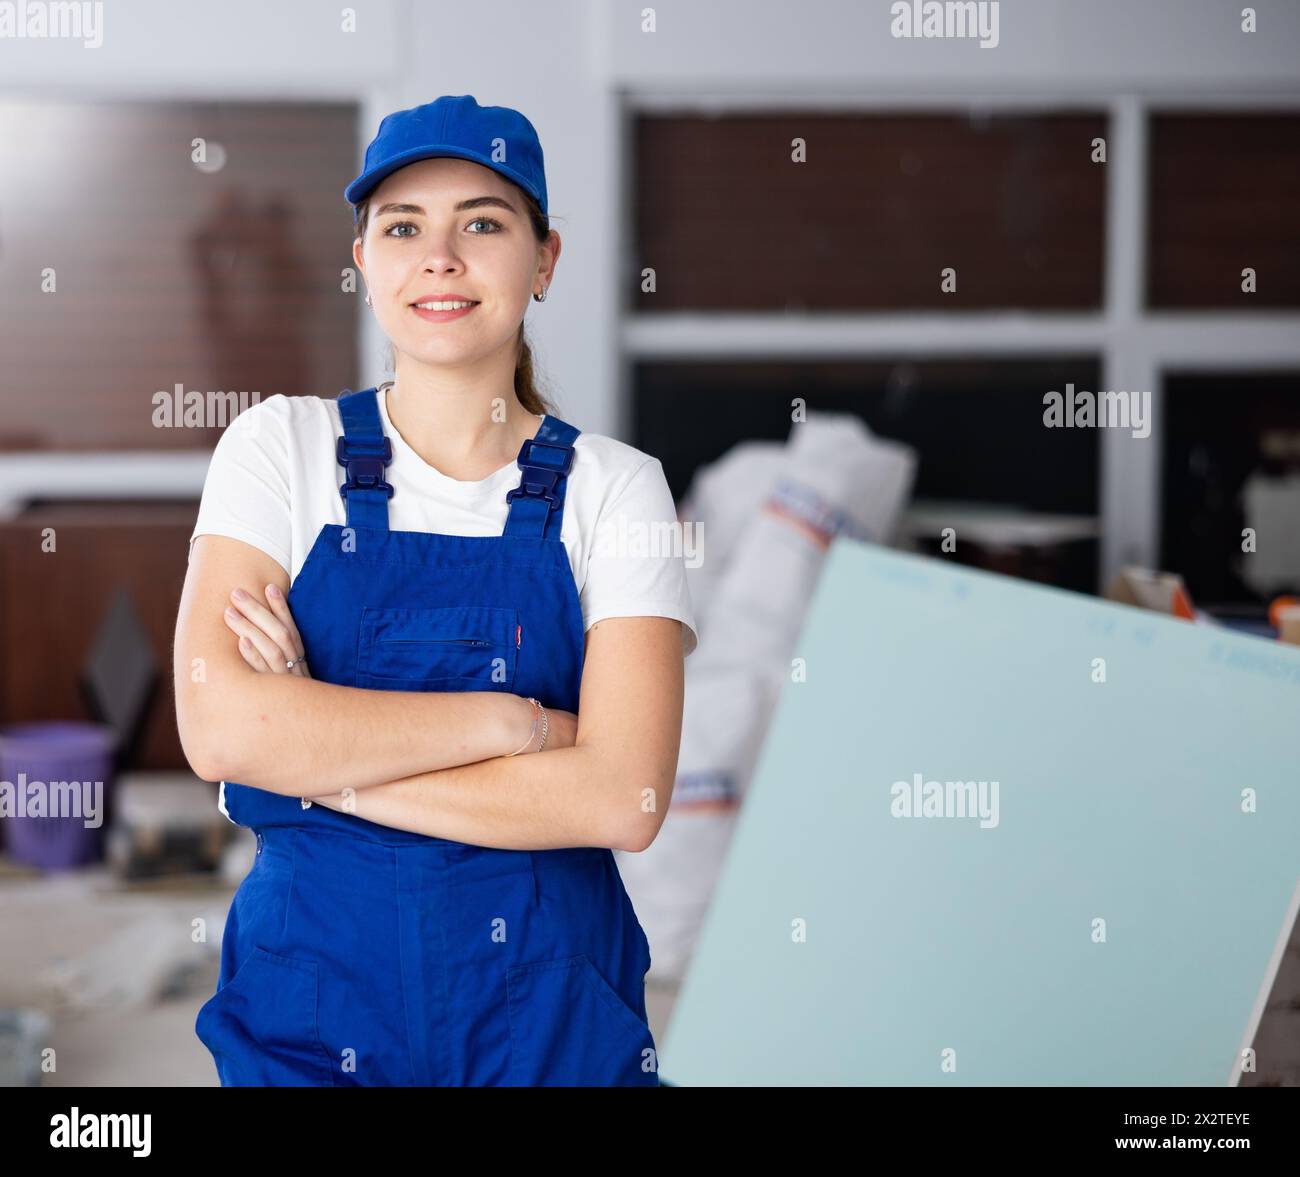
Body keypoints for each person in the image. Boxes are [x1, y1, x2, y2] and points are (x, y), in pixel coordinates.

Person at [174, 94, 698, 1086]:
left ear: (544, 259)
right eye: (403, 226)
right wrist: (517, 725)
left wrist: (314, 760)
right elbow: (220, 733)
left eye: (484, 223)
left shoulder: (616, 488)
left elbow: (623, 796)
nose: (440, 256)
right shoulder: (280, 448)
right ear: (364, 257)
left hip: (551, 1030)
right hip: (306, 1016)